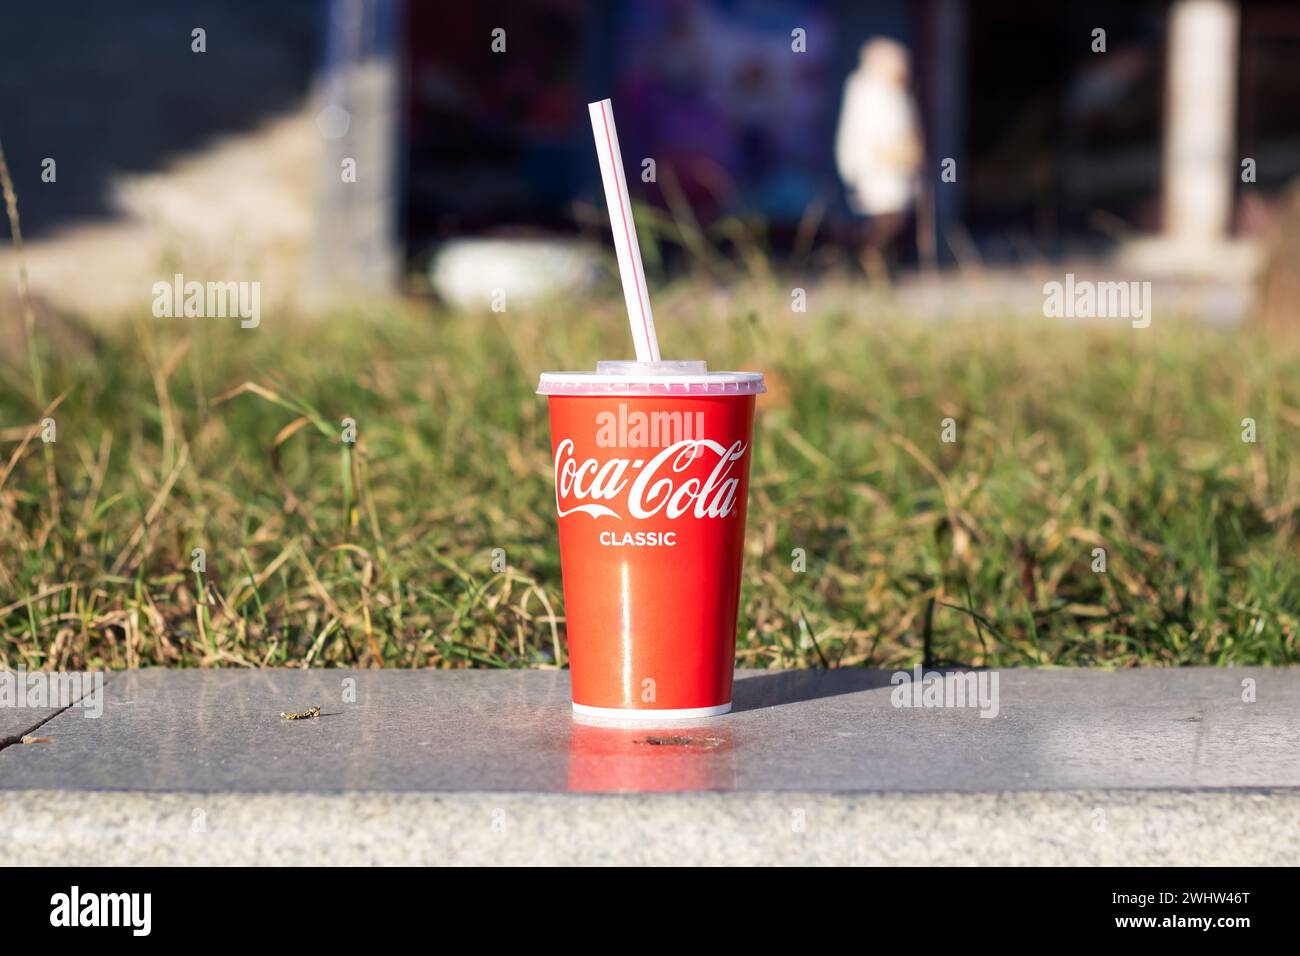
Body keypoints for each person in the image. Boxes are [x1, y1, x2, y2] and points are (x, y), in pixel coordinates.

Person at [834, 37, 923, 283]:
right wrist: (899, 154)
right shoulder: (871, 92)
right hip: (880, 171)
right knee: (886, 221)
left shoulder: (896, 93)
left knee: (893, 222)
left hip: (896, 171)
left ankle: (875, 267)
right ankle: (864, 261)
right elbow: (872, 138)